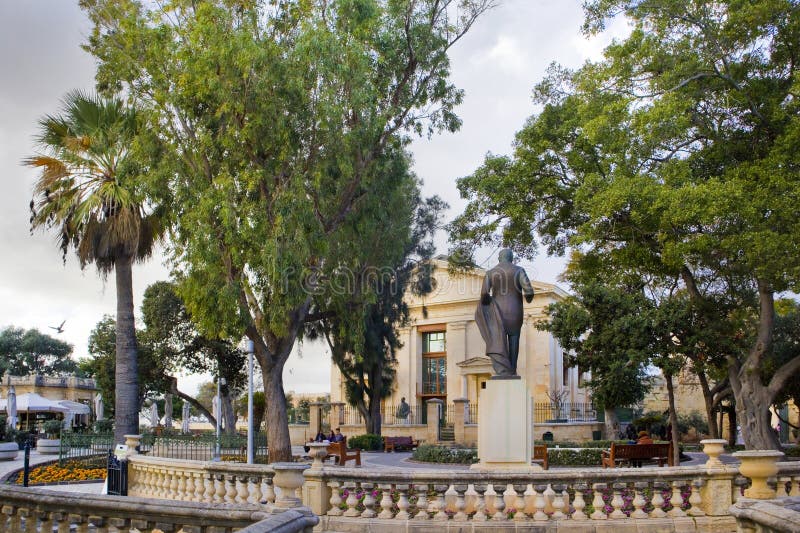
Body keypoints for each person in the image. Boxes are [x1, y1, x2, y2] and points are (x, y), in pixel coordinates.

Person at [475, 249, 535, 376]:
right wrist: (528, 299)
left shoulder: (490, 273)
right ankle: (512, 371)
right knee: (514, 340)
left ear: (499, 258)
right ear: (511, 258)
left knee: (498, 340)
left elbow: (484, 293)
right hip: (515, 312)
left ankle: (503, 371)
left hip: (498, 312)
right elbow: (529, 291)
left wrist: (487, 304)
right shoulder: (519, 270)